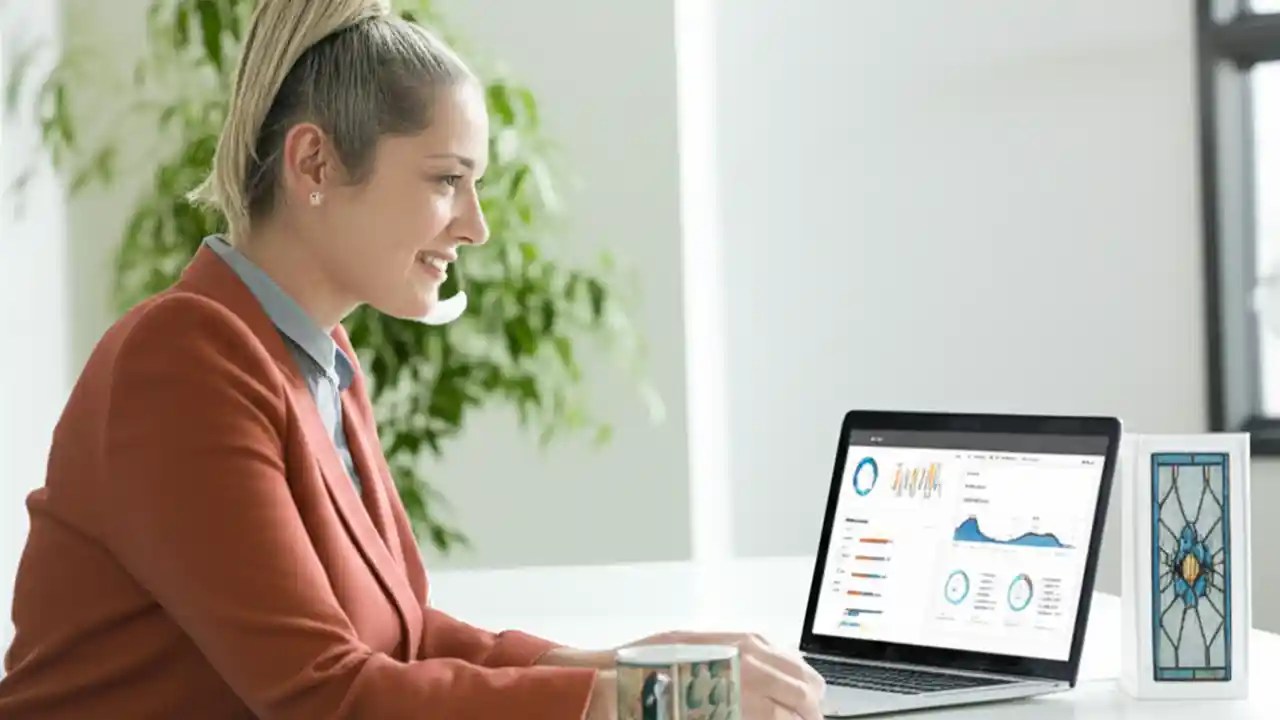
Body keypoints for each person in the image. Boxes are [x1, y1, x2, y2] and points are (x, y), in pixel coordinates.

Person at [0, 1, 825, 718]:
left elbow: (407, 637)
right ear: (314, 163)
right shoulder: (182, 361)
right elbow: (328, 695)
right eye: (445, 180)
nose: (476, 226)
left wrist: (644, 664)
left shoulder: (319, 360)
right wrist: (660, 700)